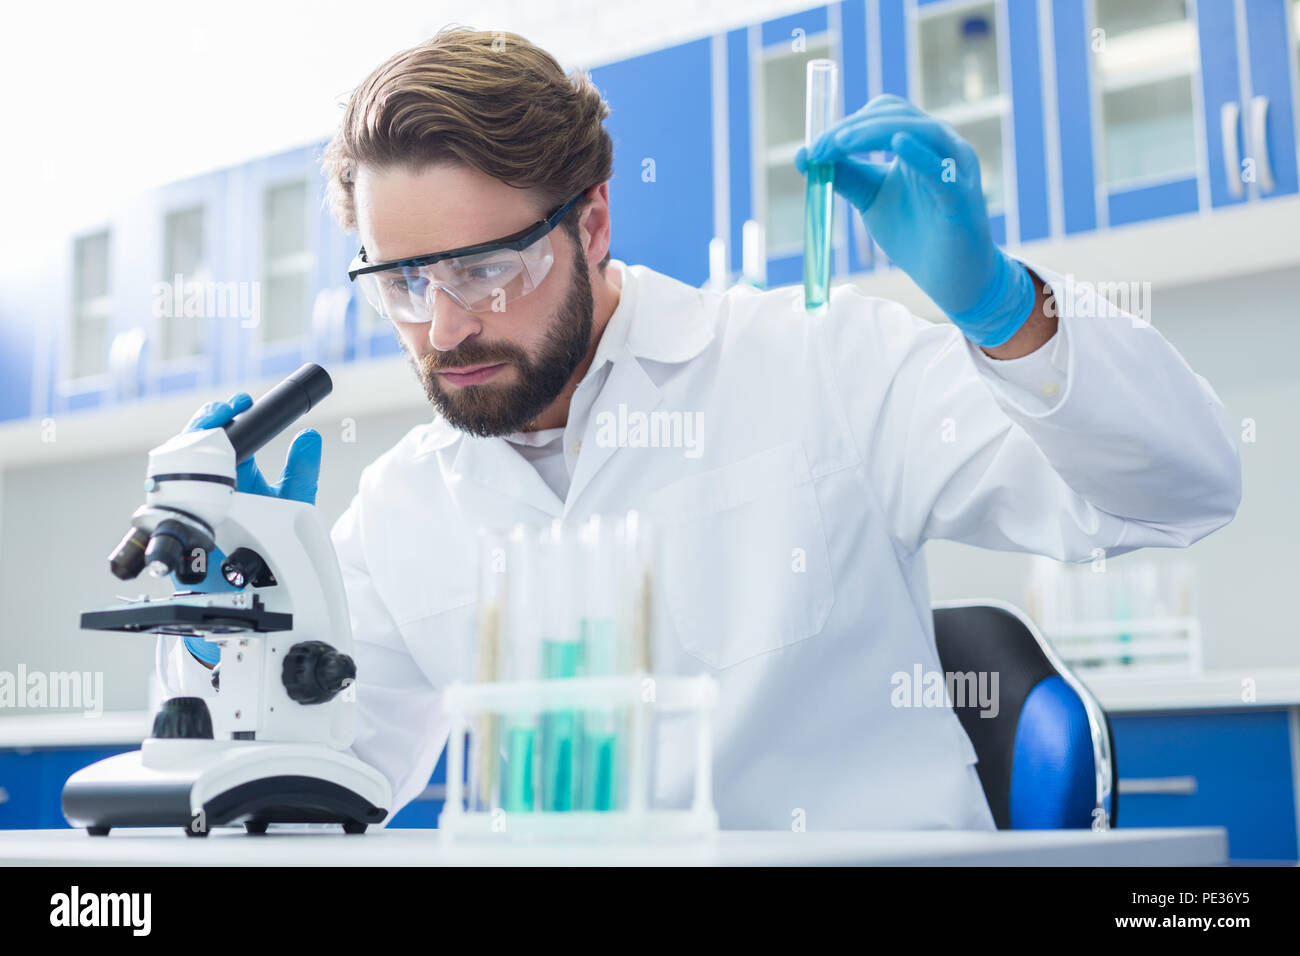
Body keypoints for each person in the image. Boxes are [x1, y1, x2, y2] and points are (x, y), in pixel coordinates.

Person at [158, 27, 1241, 830]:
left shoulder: (817, 361)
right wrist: (251, 618)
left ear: (591, 221)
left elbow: (1176, 489)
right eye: (401, 283)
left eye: (488, 268)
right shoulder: (404, 502)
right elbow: (313, 793)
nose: (445, 324)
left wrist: (1006, 311)